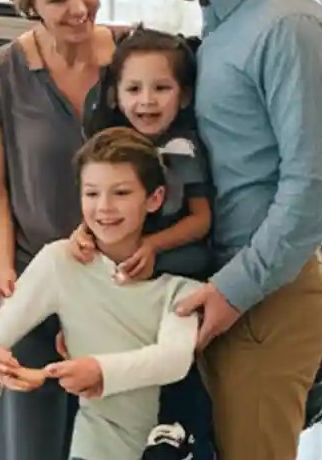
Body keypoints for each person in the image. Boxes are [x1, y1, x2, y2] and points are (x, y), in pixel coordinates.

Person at [156, 0, 322, 459]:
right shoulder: (225, 28)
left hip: (267, 297)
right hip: (228, 289)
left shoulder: (289, 28)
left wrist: (233, 292)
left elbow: (313, 187)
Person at [0, 0, 127, 460]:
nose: (80, 6)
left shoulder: (140, 59)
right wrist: (8, 272)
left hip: (127, 289)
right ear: (29, 4)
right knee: (31, 446)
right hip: (39, 285)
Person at [0, 127, 201, 460]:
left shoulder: (181, 283)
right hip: (94, 444)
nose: (104, 207)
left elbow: (173, 360)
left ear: (154, 199)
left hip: (170, 445)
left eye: (120, 193)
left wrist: (98, 370)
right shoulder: (59, 262)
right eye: (91, 194)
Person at [67, 26, 217, 459]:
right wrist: (84, 233)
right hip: (132, 287)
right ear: (115, 94)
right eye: (133, 88)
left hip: (179, 277)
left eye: (161, 88)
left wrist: (152, 246)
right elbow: (97, 211)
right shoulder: (116, 150)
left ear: (184, 96)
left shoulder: (181, 150)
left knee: (176, 362)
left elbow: (202, 220)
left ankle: (178, 432)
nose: (146, 101)